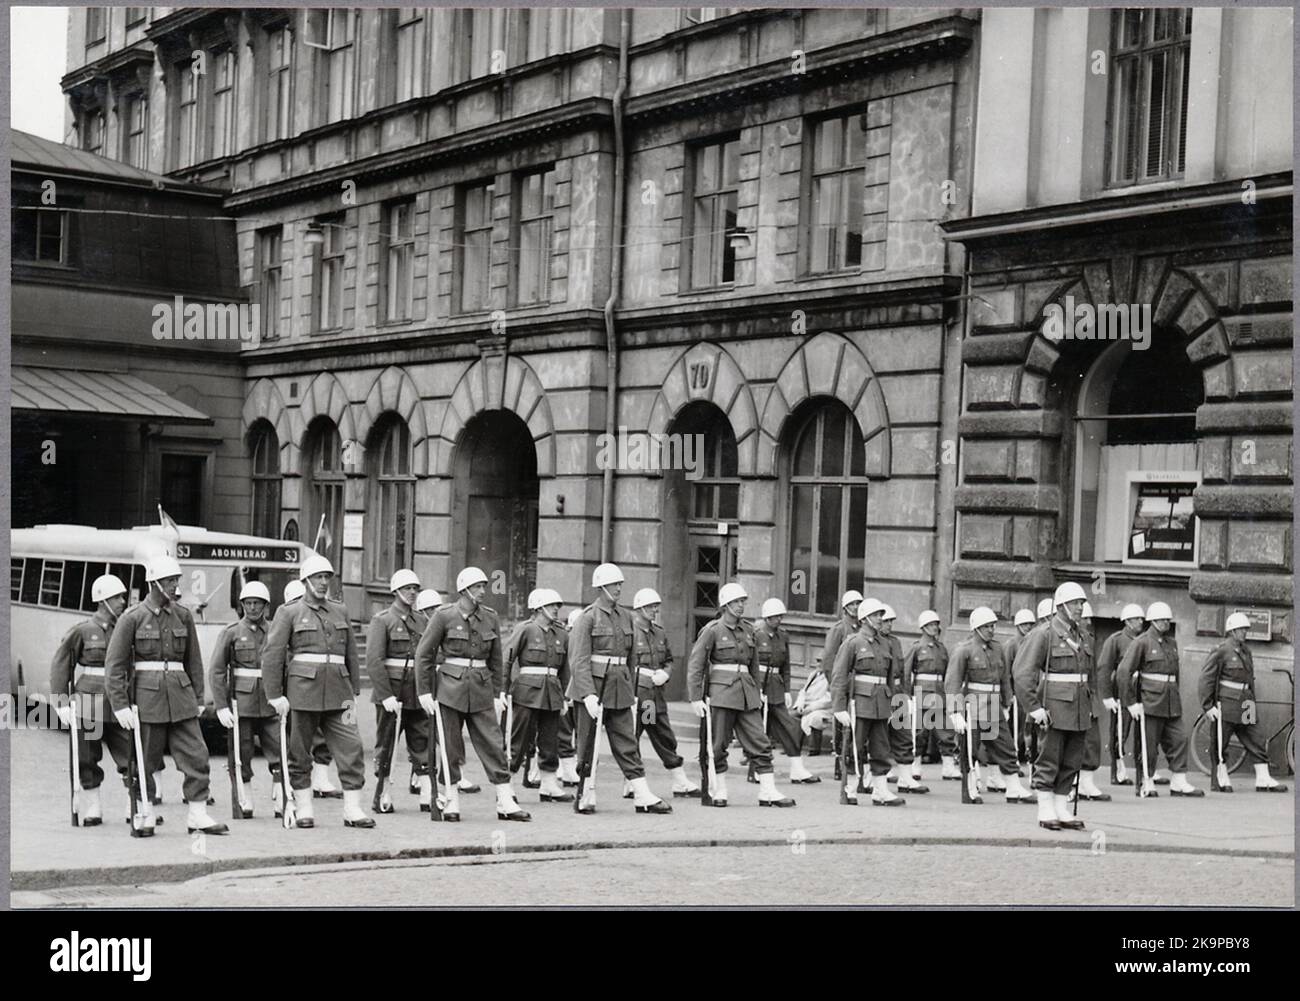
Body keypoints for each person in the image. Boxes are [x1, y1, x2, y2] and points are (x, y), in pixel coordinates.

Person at [104, 556, 228, 836]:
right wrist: (120, 705)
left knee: (196, 754)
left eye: (176, 580)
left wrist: (197, 698)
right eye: (171, 581)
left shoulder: (183, 615)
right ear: (155, 583)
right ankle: (145, 811)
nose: (176, 586)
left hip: (181, 698)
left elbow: (193, 660)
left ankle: (197, 814)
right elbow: (115, 666)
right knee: (144, 759)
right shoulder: (132, 618)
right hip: (146, 700)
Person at [263, 554, 374, 829]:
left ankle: (352, 809)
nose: (323, 583)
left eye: (327, 577)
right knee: (299, 751)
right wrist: (275, 695)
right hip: (303, 694)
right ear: (305, 581)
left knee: (352, 746)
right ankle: (304, 808)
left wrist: (354, 690)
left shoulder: (340, 611)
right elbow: (273, 655)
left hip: (341, 695)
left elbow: (349, 653)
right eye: (318, 578)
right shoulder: (288, 612)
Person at [413, 567, 529, 822]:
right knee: (451, 746)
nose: (482, 591)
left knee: (493, 743)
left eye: (483, 586)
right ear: (464, 589)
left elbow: (498, 659)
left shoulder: (490, 617)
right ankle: (451, 797)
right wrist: (423, 691)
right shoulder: (443, 616)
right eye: (477, 587)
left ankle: (505, 799)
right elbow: (424, 654)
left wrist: (499, 692)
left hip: (481, 688)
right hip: (449, 689)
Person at [565, 564, 671, 815]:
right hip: (593, 689)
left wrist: (632, 689)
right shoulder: (588, 617)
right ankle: (586, 791)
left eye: (620, 584)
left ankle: (642, 794)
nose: (619, 588)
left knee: (627, 742)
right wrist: (588, 694)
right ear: (601, 587)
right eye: (614, 584)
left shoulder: (626, 617)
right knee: (587, 745)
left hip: (620, 688)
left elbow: (632, 656)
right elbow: (579, 660)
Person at [688, 582, 795, 809]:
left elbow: (754, 665)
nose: (740, 606)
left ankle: (767, 790)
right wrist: (695, 697)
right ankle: (720, 789)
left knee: (760, 740)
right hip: (722, 694)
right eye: (736, 602)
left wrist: (757, 692)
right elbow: (696, 665)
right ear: (725, 605)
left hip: (746, 694)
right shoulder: (712, 631)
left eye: (743, 602)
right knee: (717, 745)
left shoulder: (748, 631)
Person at [51, 573, 132, 826]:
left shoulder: (126, 627)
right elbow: (61, 666)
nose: (122, 601)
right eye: (117, 597)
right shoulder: (83, 631)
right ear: (103, 600)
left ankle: (136, 804)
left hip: (119, 700)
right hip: (88, 700)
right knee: (86, 756)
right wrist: (61, 703)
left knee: (131, 754)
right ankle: (93, 807)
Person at [1012, 581, 1093, 832]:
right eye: (1074, 603)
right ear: (1061, 606)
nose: (1080, 607)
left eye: (1081, 603)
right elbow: (1022, 673)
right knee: (1049, 757)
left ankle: (1061, 807)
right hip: (1054, 707)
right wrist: (1033, 707)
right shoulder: (1043, 634)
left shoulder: (1081, 635)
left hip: (1079, 707)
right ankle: (1045, 807)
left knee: (1072, 760)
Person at [946, 607, 1034, 804]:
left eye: (993, 626)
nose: (991, 630)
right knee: (971, 750)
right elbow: (953, 682)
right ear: (976, 628)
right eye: (987, 626)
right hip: (973, 706)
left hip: (994, 707)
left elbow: (1004, 678)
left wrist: (1006, 702)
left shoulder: (998, 649)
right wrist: (955, 712)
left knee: (1006, 746)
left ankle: (1013, 788)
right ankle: (969, 789)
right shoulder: (964, 650)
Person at [209, 581, 281, 818]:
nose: (252, 608)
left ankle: (281, 795)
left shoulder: (276, 631)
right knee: (241, 753)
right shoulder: (231, 632)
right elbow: (217, 670)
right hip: (243, 703)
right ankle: (244, 797)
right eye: (248, 603)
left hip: (271, 702)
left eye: (257, 603)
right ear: (241, 605)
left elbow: (285, 666)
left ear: (265, 606)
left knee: (280, 751)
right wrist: (221, 705)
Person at [1117, 602, 1203, 799]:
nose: (1166, 622)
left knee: (1180, 739)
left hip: (1171, 702)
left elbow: (1175, 674)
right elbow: (1123, 672)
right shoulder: (1142, 642)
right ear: (1153, 620)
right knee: (1149, 744)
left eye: (1167, 619)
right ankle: (1145, 782)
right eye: (1162, 619)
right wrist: (1130, 703)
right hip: (1150, 701)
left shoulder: (1171, 643)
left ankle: (1178, 781)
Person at [1199, 613, 1288, 793]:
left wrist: (1252, 701)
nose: (1244, 633)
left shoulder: (1246, 651)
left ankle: (1263, 778)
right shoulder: (1221, 650)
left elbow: (1249, 679)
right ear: (1231, 631)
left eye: (1245, 629)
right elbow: (1206, 679)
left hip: (1246, 703)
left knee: (1256, 737)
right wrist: (1208, 706)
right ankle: (1220, 778)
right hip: (1227, 703)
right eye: (1240, 629)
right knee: (1220, 741)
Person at [367, 569, 431, 814]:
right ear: (395, 591)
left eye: (415, 589)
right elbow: (374, 661)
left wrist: (427, 691)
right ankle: (383, 792)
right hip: (392, 693)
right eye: (407, 589)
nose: (412, 593)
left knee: (422, 741)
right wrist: (385, 696)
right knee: (386, 743)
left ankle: (427, 793)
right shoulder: (382, 620)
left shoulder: (423, 620)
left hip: (416, 692)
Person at [628, 588, 701, 797]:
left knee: (661, 735)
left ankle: (679, 780)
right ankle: (631, 781)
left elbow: (669, 659)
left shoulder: (658, 632)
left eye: (656, 606)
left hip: (652, 697)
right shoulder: (631, 632)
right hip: (636, 694)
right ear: (640, 608)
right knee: (631, 736)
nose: (654, 610)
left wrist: (665, 673)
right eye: (650, 607)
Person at [831, 598, 903, 806]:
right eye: (876, 615)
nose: (880, 619)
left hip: (881, 703)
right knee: (855, 747)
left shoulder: (885, 643)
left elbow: (889, 676)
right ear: (864, 619)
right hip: (860, 703)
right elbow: (839, 675)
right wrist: (839, 707)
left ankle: (880, 790)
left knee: (881, 747)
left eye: (881, 615)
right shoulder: (853, 643)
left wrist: (891, 701)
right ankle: (850, 788)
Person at [503, 588, 573, 804]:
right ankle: (507, 784)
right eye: (552, 605)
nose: (556, 609)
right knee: (520, 740)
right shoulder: (525, 629)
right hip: (526, 692)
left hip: (552, 693)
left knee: (550, 739)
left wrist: (564, 696)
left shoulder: (561, 633)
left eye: (557, 606)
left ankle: (549, 784)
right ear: (539, 607)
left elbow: (564, 669)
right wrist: (503, 690)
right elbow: (507, 659)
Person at [751, 598, 819, 785]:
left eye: (780, 616)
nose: (778, 619)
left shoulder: (783, 636)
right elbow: (751, 664)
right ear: (766, 617)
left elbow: (786, 666)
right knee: (759, 730)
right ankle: (756, 769)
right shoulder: (756, 635)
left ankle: (797, 769)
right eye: (774, 617)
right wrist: (755, 688)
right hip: (759, 686)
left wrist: (787, 690)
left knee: (789, 727)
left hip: (776, 687)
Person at [904, 610, 956, 781]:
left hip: (939, 693)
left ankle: (948, 766)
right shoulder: (917, 647)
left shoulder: (942, 649)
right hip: (922, 693)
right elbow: (906, 673)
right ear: (923, 627)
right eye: (931, 625)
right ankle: (915, 765)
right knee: (920, 731)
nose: (934, 628)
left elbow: (948, 672)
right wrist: (907, 695)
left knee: (945, 731)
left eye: (935, 625)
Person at [1096, 604, 1144, 788]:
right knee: (1119, 733)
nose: (1141, 621)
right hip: (1122, 692)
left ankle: (1145, 771)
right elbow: (1104, 668)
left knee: (1143, 733)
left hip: (1141, 691)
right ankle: (1117, 773)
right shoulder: (1115, 640)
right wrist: (1107, 696)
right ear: (1127, 621)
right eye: (1137, 619)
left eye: (1141, 618)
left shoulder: (1144, 640)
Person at [881, 605, 928, 794]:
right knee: (878, 737)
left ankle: (905, 777)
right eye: (885, 621)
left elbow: (903, 671)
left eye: (891, 621)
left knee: (903, 736)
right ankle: (872, 775)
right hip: (880, 694)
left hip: (898, 693)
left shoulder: (895, 642)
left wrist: (906, 695)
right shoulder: (871, 643)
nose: (889, 625)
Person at [820, 590, 863, 779]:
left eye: (858, 603)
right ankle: (840, 762)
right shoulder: (839, 629)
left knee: (857, 723)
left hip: (859, 686)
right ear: (845, 607)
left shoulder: (862, 628)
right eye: (852, 604)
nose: (856, 607)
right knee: (841, 724)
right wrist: (837, 687)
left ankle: (854, 759)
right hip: (844, 683)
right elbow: (829, 661)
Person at [1005, 608, 1037, 768]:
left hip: (1031, 692)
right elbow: (1006, 671)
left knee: (1029, 726)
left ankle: (1027, 754)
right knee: (1016, 727)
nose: (1028, 628)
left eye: (1031, 624)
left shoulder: (1034, 642)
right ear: (1018, 625)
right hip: (1017, 694)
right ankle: (1014, 757)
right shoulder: (1011, 645)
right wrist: (1009, 694)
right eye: (1025, 625)